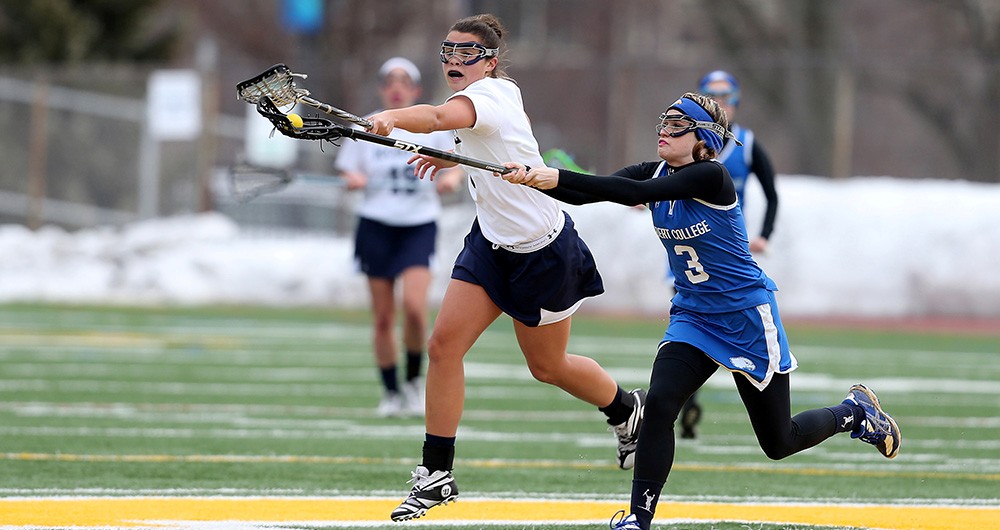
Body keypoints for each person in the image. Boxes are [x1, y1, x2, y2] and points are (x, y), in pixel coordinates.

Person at [501, 92, 901, 530]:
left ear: (702, 137)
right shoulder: (655, 170)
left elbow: (634, 192)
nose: (664, 132)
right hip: (693, 316)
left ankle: (855, 412)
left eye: (676, 126)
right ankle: (638, 518)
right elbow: (588, 193)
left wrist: (554, 175)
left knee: (779, 441)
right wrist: (531, 177)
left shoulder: (710, 176)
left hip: (745, 316)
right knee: (659, 405)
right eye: (663, 123)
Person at [364, 14, 645, 522]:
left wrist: (392, 116)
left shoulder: (491, 95)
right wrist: (453, 158)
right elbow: (462, 133)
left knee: (548, 368)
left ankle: (627, 411)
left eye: (466, 53)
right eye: (447, 51)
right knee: (443, 346)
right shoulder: (472, 105)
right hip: (490, 245)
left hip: (542, 250)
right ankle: (436, 474)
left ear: (490, 62)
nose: (453, 61)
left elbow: (436, 118)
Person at [334, 57, 463, 418]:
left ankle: (411, 383)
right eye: (390, 80)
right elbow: (348, 171)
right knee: (382, 318)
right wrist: (353, 180)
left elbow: (455, 163)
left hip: (418, 226)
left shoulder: (432, 125)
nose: (397, 86)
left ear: (416, 89)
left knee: (415, 311)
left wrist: (450, 179)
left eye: (404, 80)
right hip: (376, 225)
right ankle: (390, 392)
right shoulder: (368, 125)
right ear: (382, 87)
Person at [677, 70, 781, 439]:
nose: (723, 104)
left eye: (728, 97)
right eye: (714, 97)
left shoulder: (747, 144)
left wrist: (764, 235)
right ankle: (685, 402)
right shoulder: (683, 143)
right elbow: (660, 182)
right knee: (686, 325)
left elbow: (772, 193)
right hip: (689, 248)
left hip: (727, 254)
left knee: (727, 324)